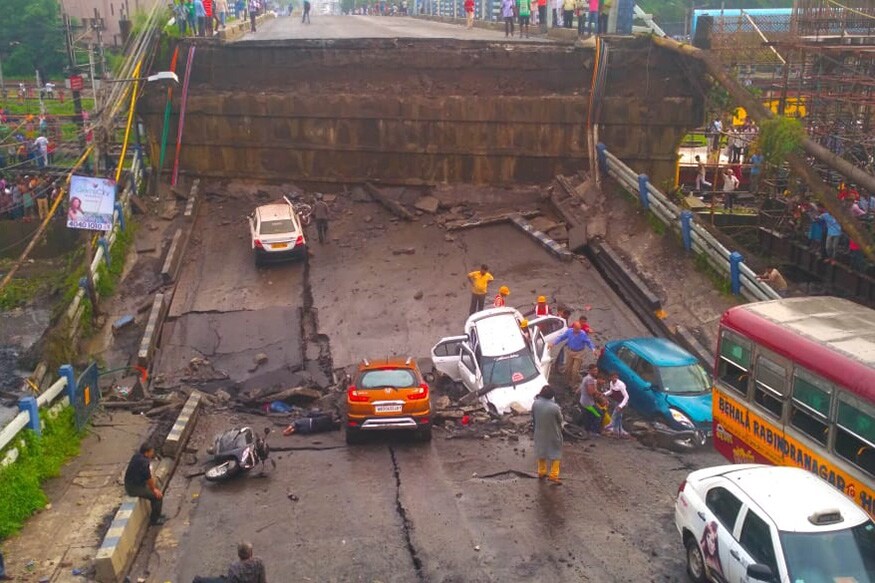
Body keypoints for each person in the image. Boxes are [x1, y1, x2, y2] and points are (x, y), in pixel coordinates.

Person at [124, 443, 166, 526]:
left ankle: (157, 514)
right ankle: (154, 520)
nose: (153, 453)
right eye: (152, 452)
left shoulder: (137, 456)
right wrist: (154, 490)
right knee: (157, 497)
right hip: (134, 488)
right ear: (147, 452)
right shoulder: (144, 463)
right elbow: (148, 478)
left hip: (132, 483)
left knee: (156, 487)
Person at [532, 385, 563, 484]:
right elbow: (560, 419)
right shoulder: (555, 407)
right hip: (553, 433)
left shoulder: (535, 404)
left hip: (539, 431)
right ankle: (553, 475)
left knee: (541, 451)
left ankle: (541, 472)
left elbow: (533, 417)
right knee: (556, 453)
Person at [194, 541, 267, 583]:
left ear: (239, 554)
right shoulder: (259, 562)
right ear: (251, 553)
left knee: (217, 580)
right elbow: (263, 581)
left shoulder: (234, 567)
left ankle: (197, 580)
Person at [576, 364, 605, 434]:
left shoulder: (586, 378)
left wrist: (599, 393)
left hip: (584, 402)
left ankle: (587, 429)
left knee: (590, 415)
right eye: (594, 370)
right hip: (588, 404)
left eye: (597, 370)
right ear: (590, 371)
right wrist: (599, 397)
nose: (596, 372)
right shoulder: (590, 379)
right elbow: (590, 392)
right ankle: (593, 432)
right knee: (599, 414)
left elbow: (592, 390)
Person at [603, 371, 630, 438]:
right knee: (619, 417)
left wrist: (621, 406)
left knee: (615, 416)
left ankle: (610, 427)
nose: (614, 378)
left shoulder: (621, 384)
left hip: (623, 402)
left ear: (617, 377)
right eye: (612, 377)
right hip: (617, 401)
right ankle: (619, 432)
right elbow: (611, 391)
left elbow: (626, 396)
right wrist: (604, 394)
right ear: (610, 378)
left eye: (615, 377)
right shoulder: (611, 383)